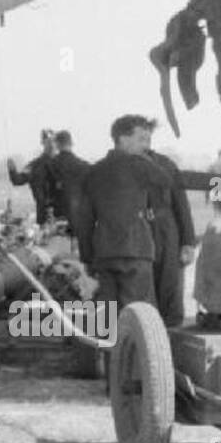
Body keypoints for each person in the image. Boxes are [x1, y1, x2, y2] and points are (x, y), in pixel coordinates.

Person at [75, 115, 172, 308]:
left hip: (104, 254)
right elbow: (174, 181)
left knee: (106, 316)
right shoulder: (139, 164)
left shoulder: (93, 171)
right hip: (135, 251)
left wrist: (87, 257)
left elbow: (84, 221)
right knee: (138, 315)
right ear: (123, 139)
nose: (146, 146)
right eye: (142, 139)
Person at [141, 123, 198, 326]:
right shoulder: (121, 165)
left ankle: (172, 334)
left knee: (170, 286)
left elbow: (182, 205)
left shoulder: (166, 165)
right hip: (137, 231)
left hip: (166, 231)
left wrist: (188, 242)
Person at [7, 130, 57, 223]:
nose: (51, 144)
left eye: (53, 141)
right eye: (48, 141)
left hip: (63, 215)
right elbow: (18, 180)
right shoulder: (35, 166)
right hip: (43, 214)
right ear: (43, 143)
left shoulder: (64, 164)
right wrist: (12, 170)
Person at [49, 130, 91, 232]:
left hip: (57, 217)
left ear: (57, 145)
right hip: (79, 217)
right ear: (71, 143)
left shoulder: (50, 165)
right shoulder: (84, 166)